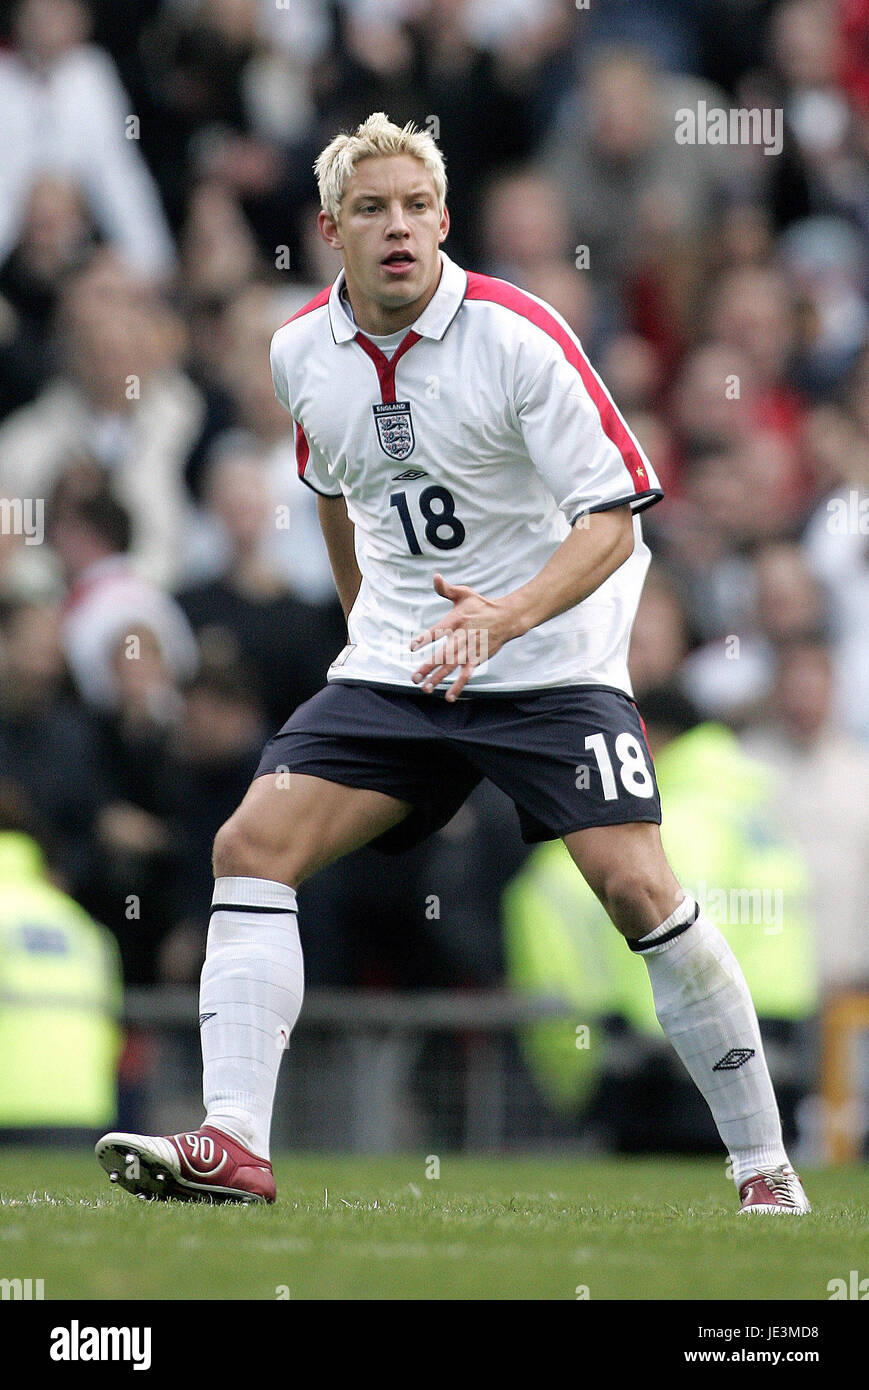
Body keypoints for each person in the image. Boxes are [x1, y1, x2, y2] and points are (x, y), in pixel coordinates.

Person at [96, 112, 810, 1215]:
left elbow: (613, 521)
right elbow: (335, 493)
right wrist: (364, 631)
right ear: (329, 228)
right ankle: (234, 1140)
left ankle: (762, 1166)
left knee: (633, 886)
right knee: (250, 843)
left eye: (416, 206)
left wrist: (505, 617)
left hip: (551, 657)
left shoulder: (519, 334)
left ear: (444, 218)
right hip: (401, 662)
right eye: (371, 209)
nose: (397, 228)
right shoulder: (296, 352)